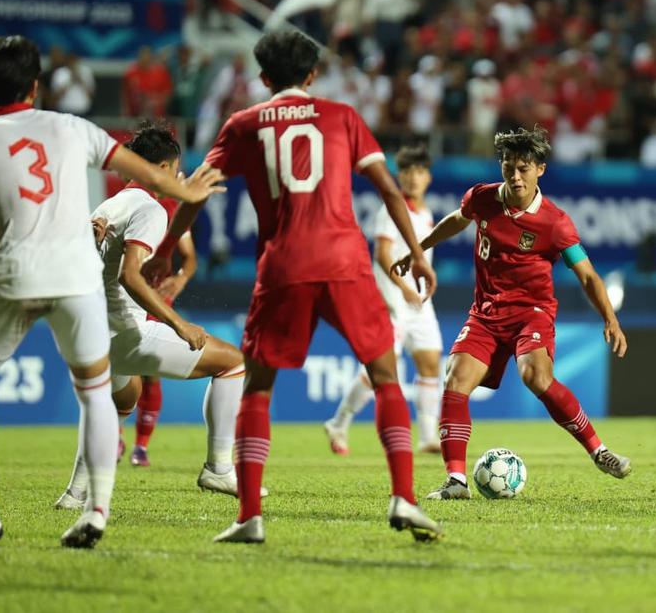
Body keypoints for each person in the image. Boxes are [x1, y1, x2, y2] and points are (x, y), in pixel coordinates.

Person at [143, 30, 442, 544]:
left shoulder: (243, 124)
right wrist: (417, 252)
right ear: (312, 75)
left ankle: (250, 516)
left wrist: (169, 244)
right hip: (345, 261)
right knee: (385, 375)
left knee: (257, 387)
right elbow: (388, 188)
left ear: (263, 78)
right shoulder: (342, 116)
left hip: (283, 265)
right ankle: (404, 500)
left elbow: (198, 189)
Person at [0, 36, 223, 549]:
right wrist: (185, 190)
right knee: (95, 390)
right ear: (36, 85)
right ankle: (97, 509)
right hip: (78, 278)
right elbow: (140, 170)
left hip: (14, 271)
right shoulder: (72, 127)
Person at [392, 125, 632, 501]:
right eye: (508, 166)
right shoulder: (482, 198)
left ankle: (598, 450)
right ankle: (456, 481)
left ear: (540, 170)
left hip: (530, 313)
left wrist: (610, 319)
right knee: (455, 380)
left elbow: (586, 274)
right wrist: (418, 249)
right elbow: (458, 218)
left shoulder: (555, 223)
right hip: (485, 312)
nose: (515, 176)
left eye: (523, 168)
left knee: (536, 377)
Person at [54, 122, 255, 511]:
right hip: (126, 333)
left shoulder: (107, 206)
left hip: (90, 335)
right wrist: (179, 324)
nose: (178, 178)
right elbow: (131, 276)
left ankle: (76, 494)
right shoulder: (150, 209)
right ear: (163, 168)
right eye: (175, 170)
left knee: (122, 401)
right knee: (233, 364)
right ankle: (218, 467)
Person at [324, 144, 443, 456]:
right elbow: (382, 254)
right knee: (380, 368)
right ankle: (339, 421)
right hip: (393, 302)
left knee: (430, 362)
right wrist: (403, 287)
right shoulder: (391, 210)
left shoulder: (427, 213)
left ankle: (429, 436)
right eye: (406, 172)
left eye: (419, 172)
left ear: (428, 177)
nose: (413, 178)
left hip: (419, 302)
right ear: (399, 176)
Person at [129, 195, 198, 468]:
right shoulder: (128, 205)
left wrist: (180, 278)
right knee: (119, 372)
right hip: (123, 295)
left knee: (149, 373)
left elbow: (190, 257)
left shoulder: (171, 210)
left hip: (155, 299)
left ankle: (141, 446)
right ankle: (115, 437)